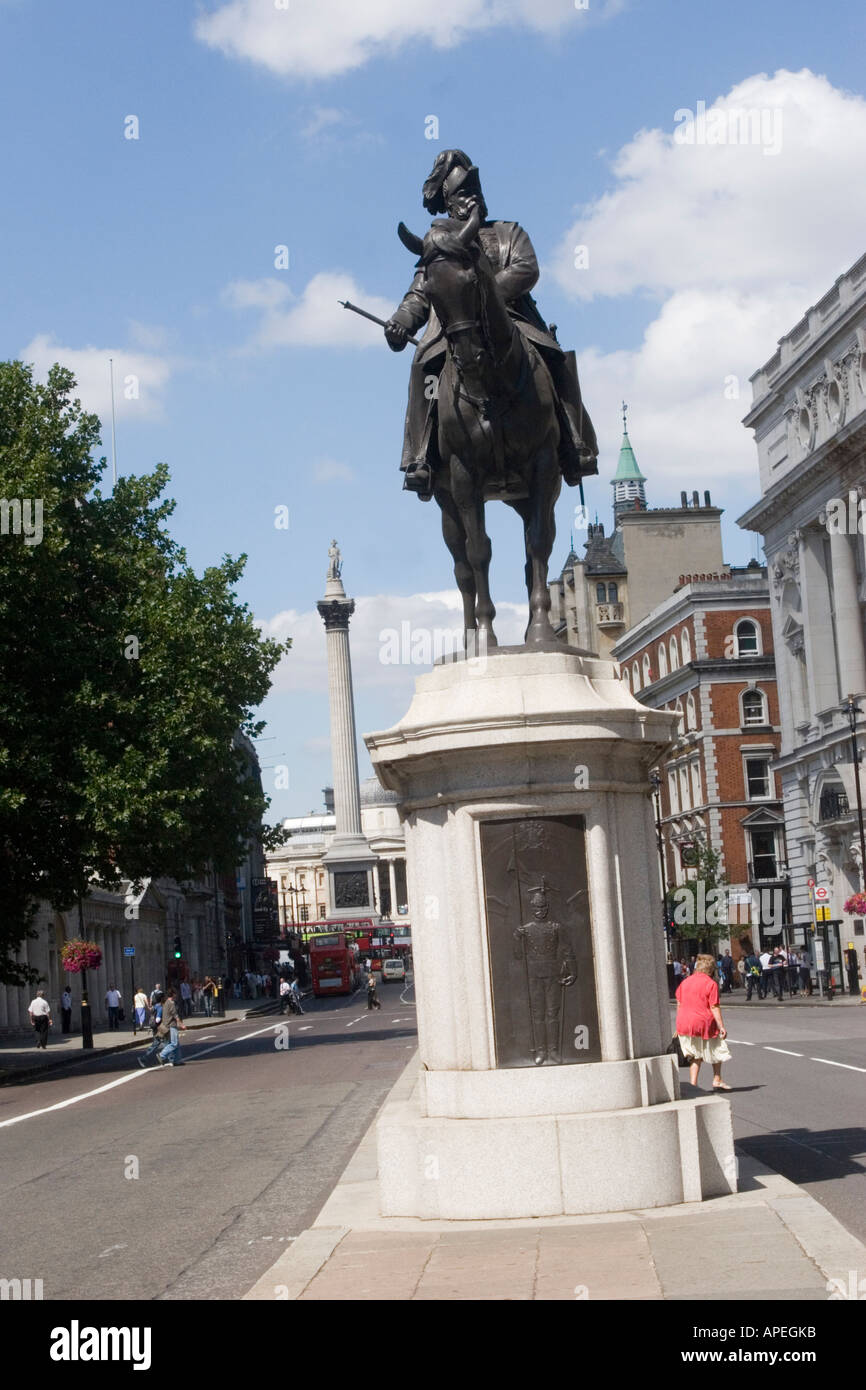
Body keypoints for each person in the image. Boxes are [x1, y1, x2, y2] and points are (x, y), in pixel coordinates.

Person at [384, 149, 597, 499]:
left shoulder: (508, 232)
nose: (470, 199)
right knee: (424, 367)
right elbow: (419, 293)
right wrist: (401, 322)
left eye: (473, 192)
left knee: (555, 358)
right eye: (461, 194)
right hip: (454, 326)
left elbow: (527, 268)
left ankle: (575, 442)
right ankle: (420, 457)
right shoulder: (436, 242)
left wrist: (485, 295)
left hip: (512, 318)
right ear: (448, 202)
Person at [674, 954, 732, 1091]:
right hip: (703, 1022)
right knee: (717, 1047)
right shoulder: (710, 984)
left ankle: (693, 1084)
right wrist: (721, 1026)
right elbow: (714, 1007)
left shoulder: (685, 982)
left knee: (695, 1054)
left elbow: (679, 1003)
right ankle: (717, 1079)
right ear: (711, 969)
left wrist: (678, 1023)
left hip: (685, 1022)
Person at [157, 988, 187, 1066]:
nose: (176, 995)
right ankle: (162, 1055)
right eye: (175, 993)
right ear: (173, 994)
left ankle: (176, 1060)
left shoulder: (166, 1002)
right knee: (174, 1043)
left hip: (166, 1025)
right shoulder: (171, 1003)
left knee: (176, 1044)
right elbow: (175, 1015)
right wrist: (182, 1025)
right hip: (171, 1025)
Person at [138, 995, 164, 1066]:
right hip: (158, 1027)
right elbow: (157, 1019)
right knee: (166, 1042)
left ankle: (164, 1057)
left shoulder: (154, 1006)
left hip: (154, 1026)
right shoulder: (160, 1007)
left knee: (157, 1043)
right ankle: (163, 1056)